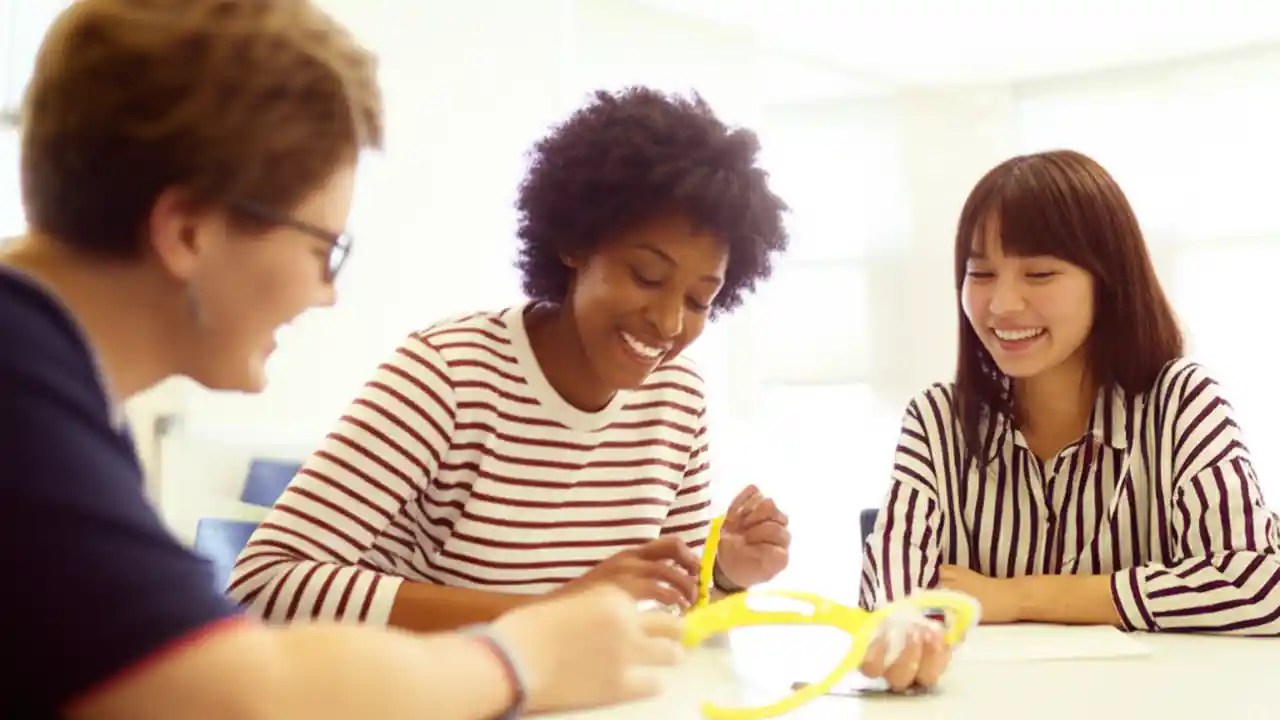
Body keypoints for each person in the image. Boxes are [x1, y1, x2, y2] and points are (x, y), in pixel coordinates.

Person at [0, 1, 684, 717]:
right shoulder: (19, 396)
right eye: (323, 249)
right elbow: (231, 692)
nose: (326, 294)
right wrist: (519, 656)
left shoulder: (50, 387)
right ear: (189, 231)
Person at [227, 87, 795, 631]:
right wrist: (546, 615)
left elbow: (660, 614)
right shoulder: (448, 375)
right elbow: (265, 582)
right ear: (575, 243)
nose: (670, 323)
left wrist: (721, 574)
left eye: (699, 299)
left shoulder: (677, 399)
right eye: (646, 276)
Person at [858, 149, 1280, 688]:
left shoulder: (1180, 402)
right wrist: (901, 625)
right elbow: (893, 599)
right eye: (981, 273)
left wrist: (1019, 595)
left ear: (1108, 281)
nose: (1002, 304)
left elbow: (1260, 584)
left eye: (1039, 273)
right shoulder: (938, 419)